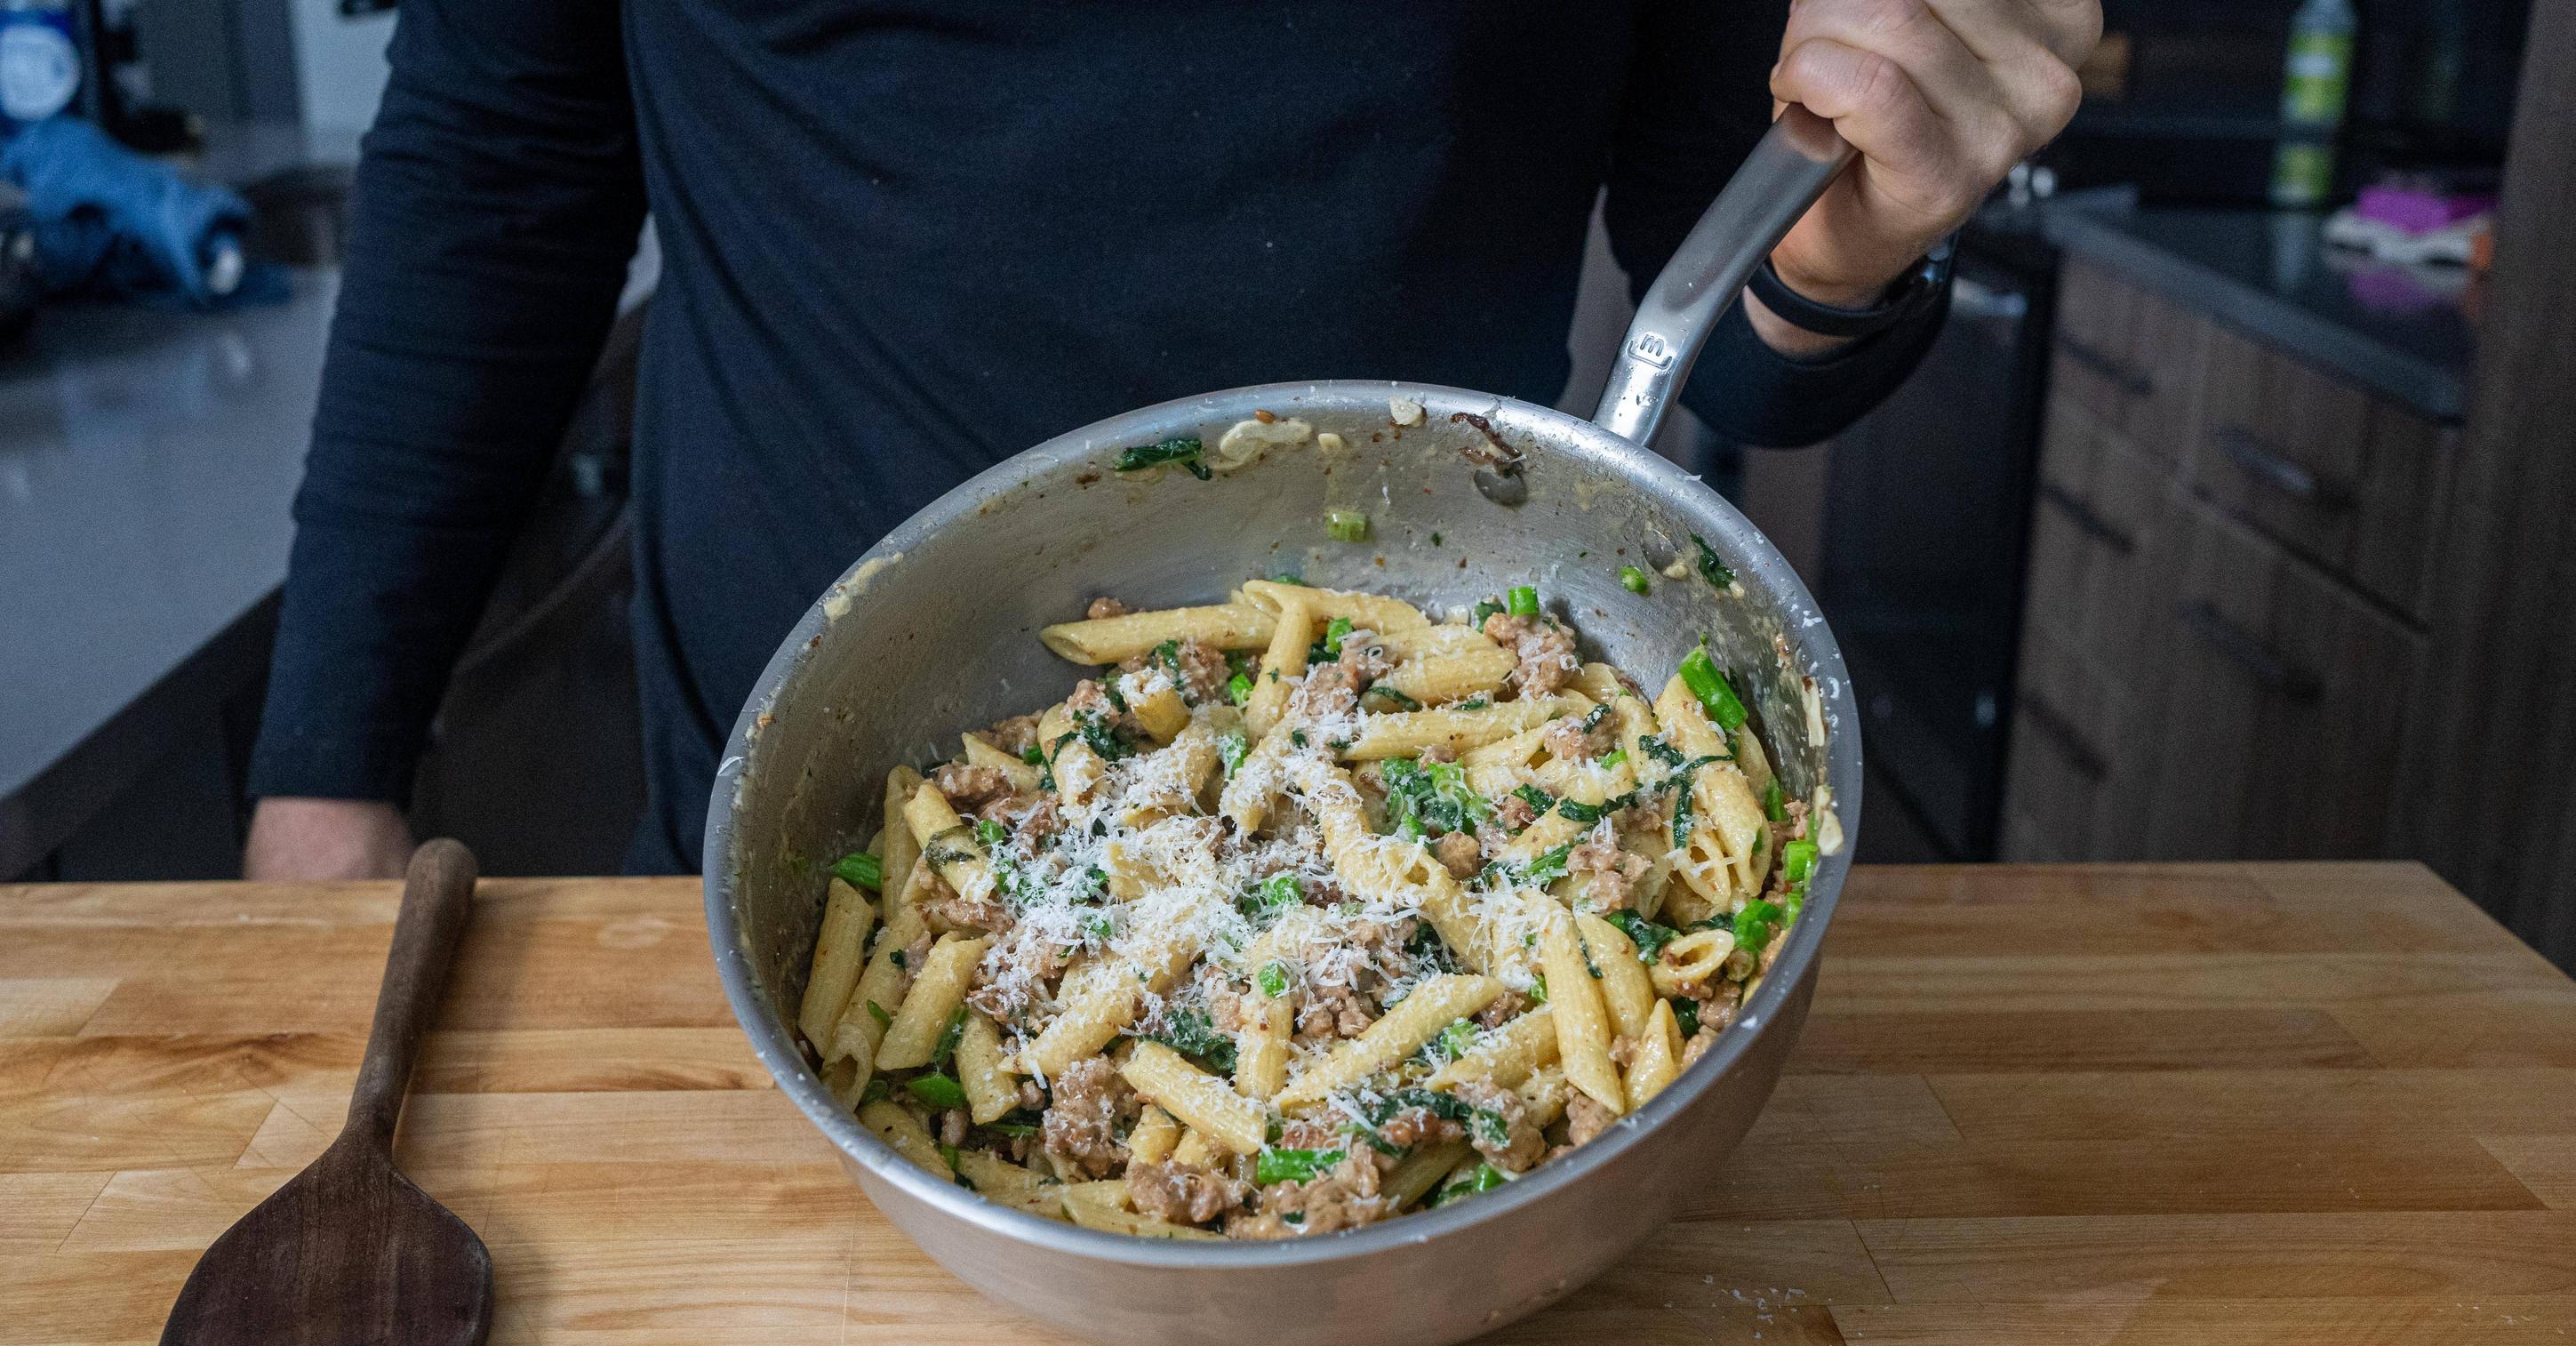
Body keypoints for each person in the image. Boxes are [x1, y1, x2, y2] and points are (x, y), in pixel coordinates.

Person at [244, 0, 2099, 880]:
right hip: (795, 843)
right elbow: (499, 179)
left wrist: (1861, 211)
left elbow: (1751, 310)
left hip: (1440, 842)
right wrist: (328, 763)